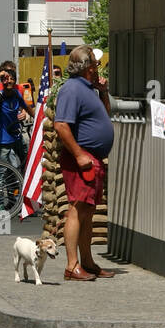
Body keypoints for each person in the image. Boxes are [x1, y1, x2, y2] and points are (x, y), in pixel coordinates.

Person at [53, 46, 116, 282]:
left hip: (91, 158)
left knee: (87, 211)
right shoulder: (72, 89)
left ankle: (87, 262)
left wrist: (103, 92)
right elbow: (61, 125)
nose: (97, 67)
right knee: (78, 209)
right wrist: (79, 155)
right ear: (89, 67)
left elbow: (105, 114)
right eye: (95, 64)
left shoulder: (89, 88)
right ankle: (72, 265)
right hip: (82, 159)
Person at [0, 61, 35, 171]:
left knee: (25, 159)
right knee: (7, 168)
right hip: (3, 136)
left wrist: (28, 114)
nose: (9, 79)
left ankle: (19, 184)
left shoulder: (18, 90)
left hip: (17, 133)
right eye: (6, 75)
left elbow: (27, 106)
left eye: (12, 74)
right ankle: (4, 187)